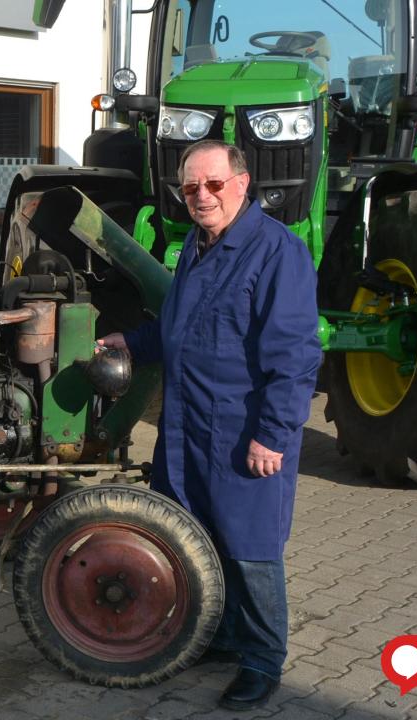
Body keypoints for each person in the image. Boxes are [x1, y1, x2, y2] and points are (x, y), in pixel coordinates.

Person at [99, 139, 320, 710]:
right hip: (187, 425)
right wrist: (134, 340)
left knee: (250, 549)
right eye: (191, 187)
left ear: (242, 184)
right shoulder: (195, 249)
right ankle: (219, 637)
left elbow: (295, 355)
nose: (202, 196)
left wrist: (273, 433)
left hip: (243, 432)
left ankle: (263, 661)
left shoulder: (276, 252)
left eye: (214, 184)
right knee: (198, 540)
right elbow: (181, 327)